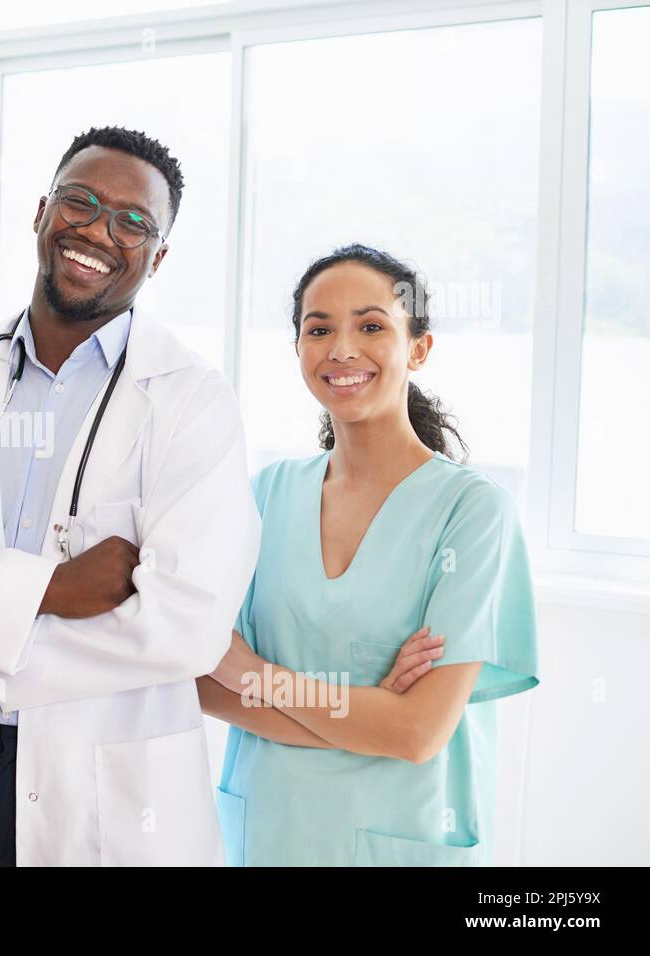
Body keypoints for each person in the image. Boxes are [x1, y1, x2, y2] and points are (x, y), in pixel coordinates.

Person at [0, 126, 261, 866]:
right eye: (79, 202)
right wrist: (57, 588)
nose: (98, 232)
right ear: (42, 212)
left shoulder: (192, 400)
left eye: (133, 221)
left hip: (106, 788)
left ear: (158, 256)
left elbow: (187, 624)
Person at [199, 244, 540, 866]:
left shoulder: (473, 512)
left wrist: (254, 676)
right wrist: (367, 717)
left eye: (372, 326)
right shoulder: (265, 495)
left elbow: (417, 733)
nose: (342, 349)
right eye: (318, 329)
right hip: (272, 828)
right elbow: (199, 682)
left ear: (418, 349)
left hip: (400, 837)